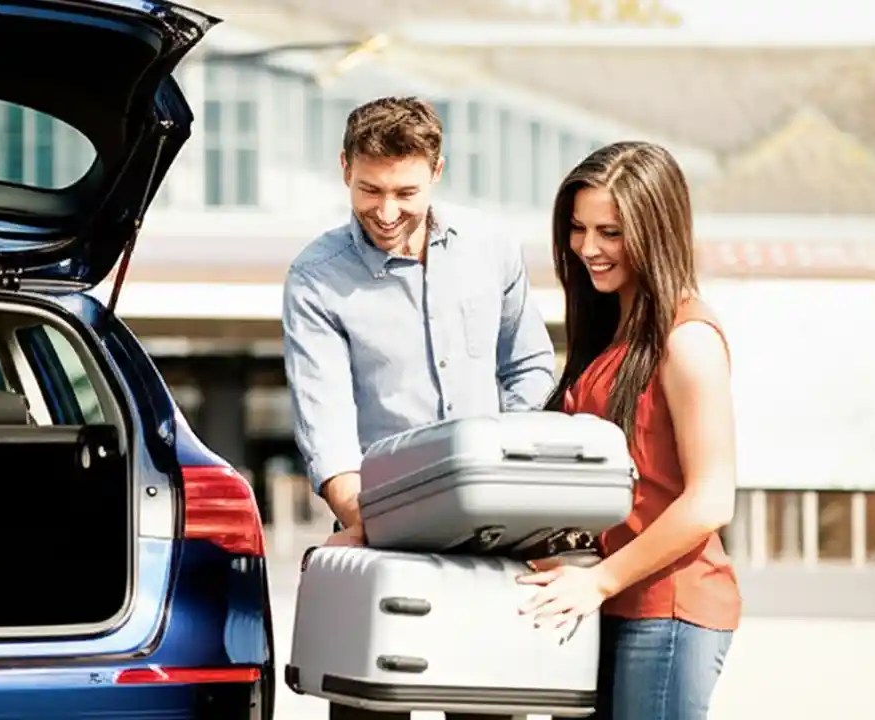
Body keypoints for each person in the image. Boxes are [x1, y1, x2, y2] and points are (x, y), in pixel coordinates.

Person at [517, 141, 741, 720]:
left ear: (655, 231)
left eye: (610, 233)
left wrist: (600, 580)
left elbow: (711, 499)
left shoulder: (687, 339)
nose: (588, 248)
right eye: (578, 229)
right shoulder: (611, 335)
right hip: (607, 602)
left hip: (666, 608)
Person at [281, 95, 556, 554]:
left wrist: (508, 473)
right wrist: (374, 524)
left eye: (406, 194)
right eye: (370, 190)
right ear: (345, 169)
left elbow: (527, 366)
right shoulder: (315, 279)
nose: (387, 213)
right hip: (386, 524)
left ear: (436, 172)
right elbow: (327, 428)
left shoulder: (492, 246)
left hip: (497, 517)